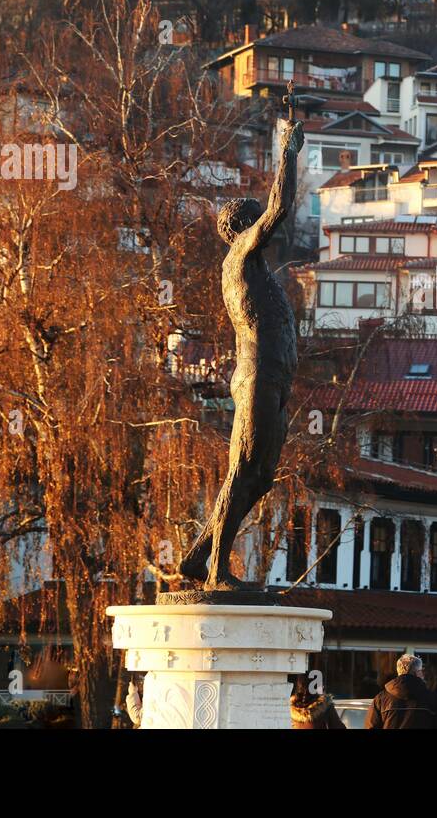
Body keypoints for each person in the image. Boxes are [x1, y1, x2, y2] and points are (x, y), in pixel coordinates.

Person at [179, 101, 302, 591]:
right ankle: (214, 571)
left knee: (261, 476)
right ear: (245, 228)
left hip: (273, 381)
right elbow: (281, 206)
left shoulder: (253, 269)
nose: (267, 231)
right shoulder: (241, 257)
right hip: (258, 378)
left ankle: (197, 558)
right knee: (243, 469)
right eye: (258, 225)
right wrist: (287, 145)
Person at [366, 654, 437, 729]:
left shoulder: (380, 700)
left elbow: (371, 726)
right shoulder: (432, 699)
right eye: (421, 671)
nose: (423, 675)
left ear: (399, 671)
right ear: (417, 673)